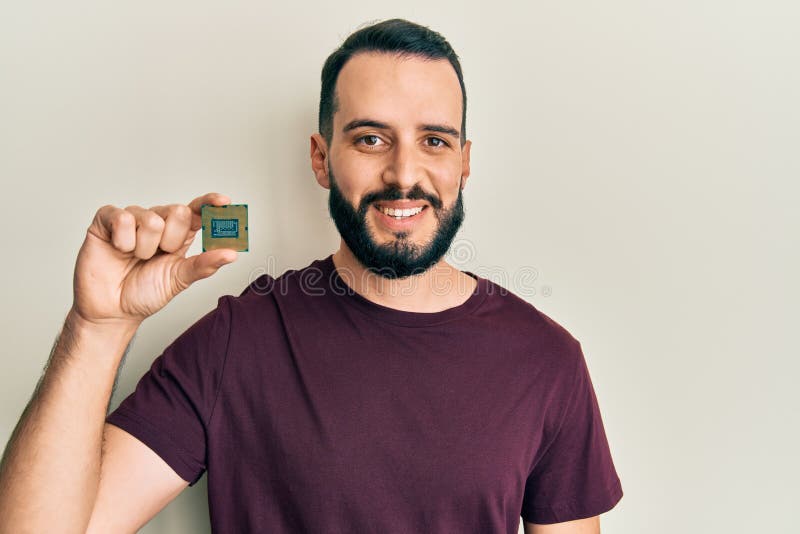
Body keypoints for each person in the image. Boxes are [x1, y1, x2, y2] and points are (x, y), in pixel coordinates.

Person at [0, 18, 623, 534]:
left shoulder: (548, 361)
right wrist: (98, 326)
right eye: (371, 139)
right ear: (322, 159)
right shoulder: (236, 340)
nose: (405, 174)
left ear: (464, 162)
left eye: (434, 141)